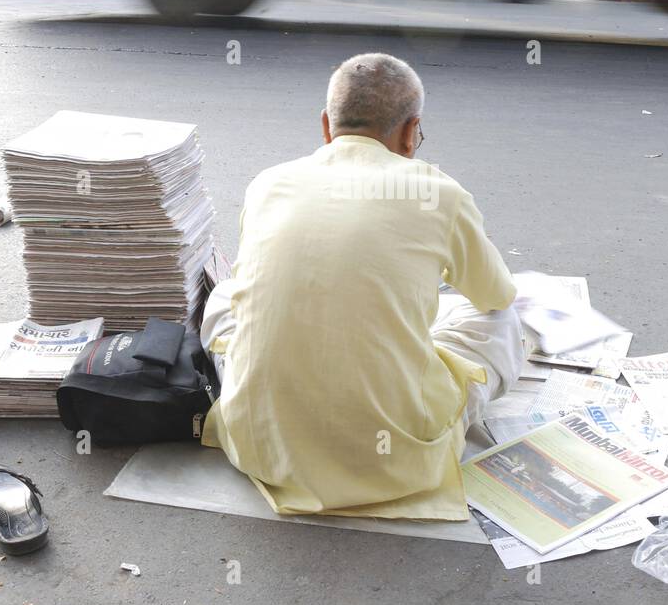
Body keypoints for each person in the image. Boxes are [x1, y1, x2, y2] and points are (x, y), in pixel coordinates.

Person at [200, 53, 522, 521]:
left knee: (226, 295)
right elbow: (497, 296)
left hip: (262, 445)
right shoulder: (439, 193)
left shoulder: (268, 183)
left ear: (327, 126)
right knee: (503, 322)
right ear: (412, 132)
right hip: (390, 459)